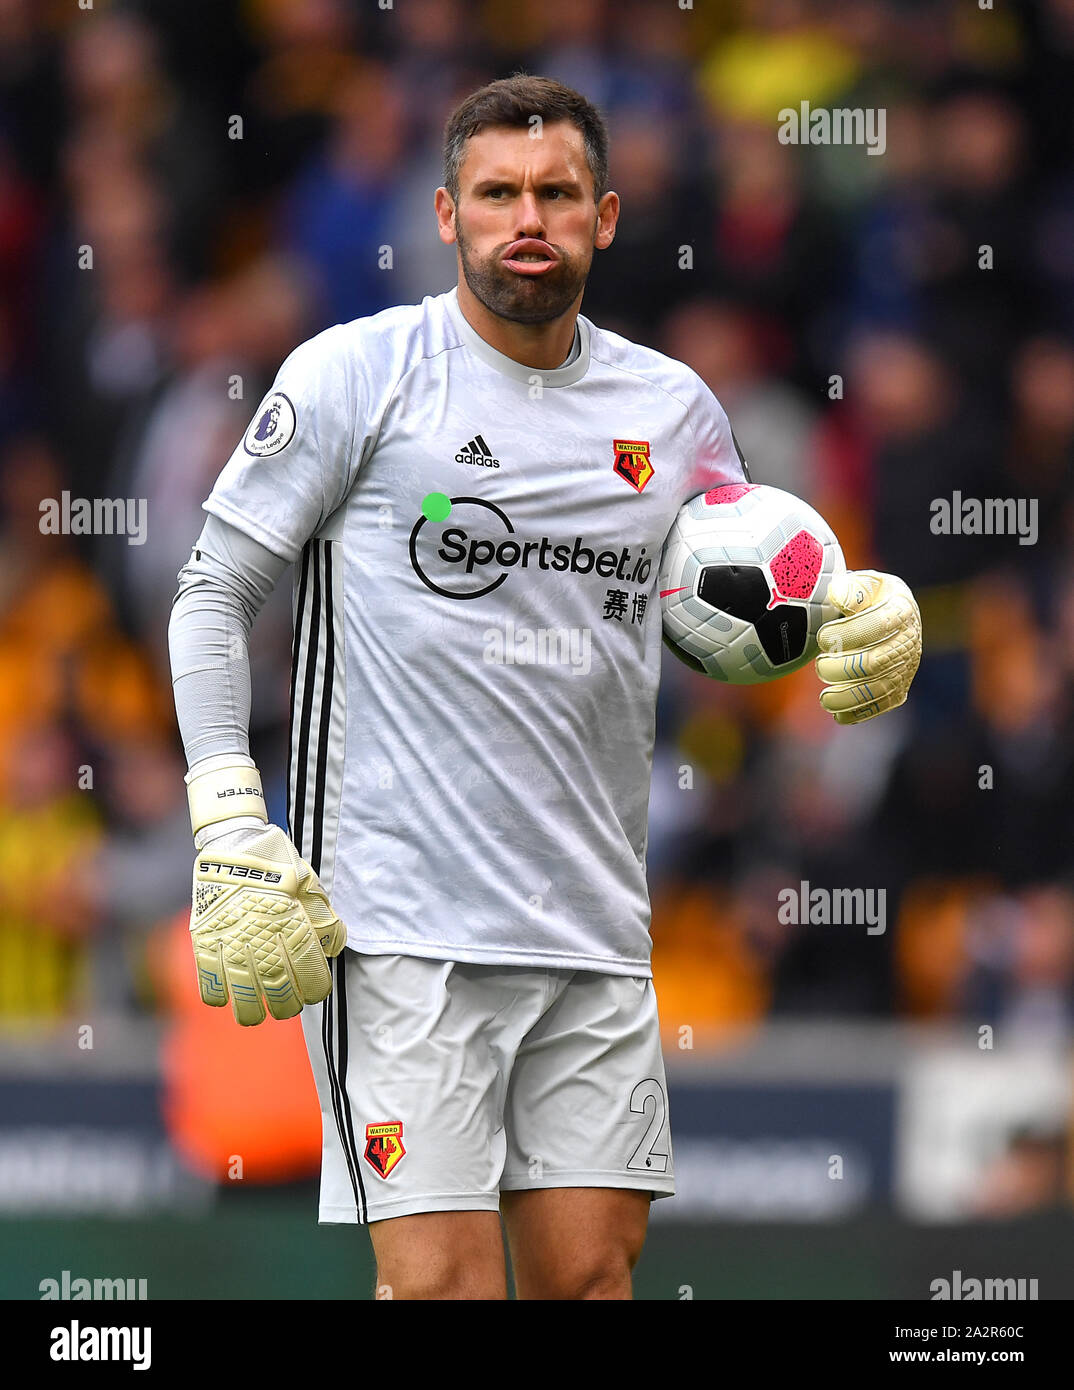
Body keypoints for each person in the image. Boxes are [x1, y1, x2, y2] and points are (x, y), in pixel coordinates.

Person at [168, 73, 921, 1300]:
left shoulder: (673, 412)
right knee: (444, 1288)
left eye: (558, 193)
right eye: (499, 193)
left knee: (589, 1282)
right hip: (401, 929)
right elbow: (210, 594)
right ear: (447, 213)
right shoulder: (360, 375)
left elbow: (747, 589)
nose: (530, 217)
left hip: (592, 927)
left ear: (606, 215)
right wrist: (224, 816)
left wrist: (855, 611)